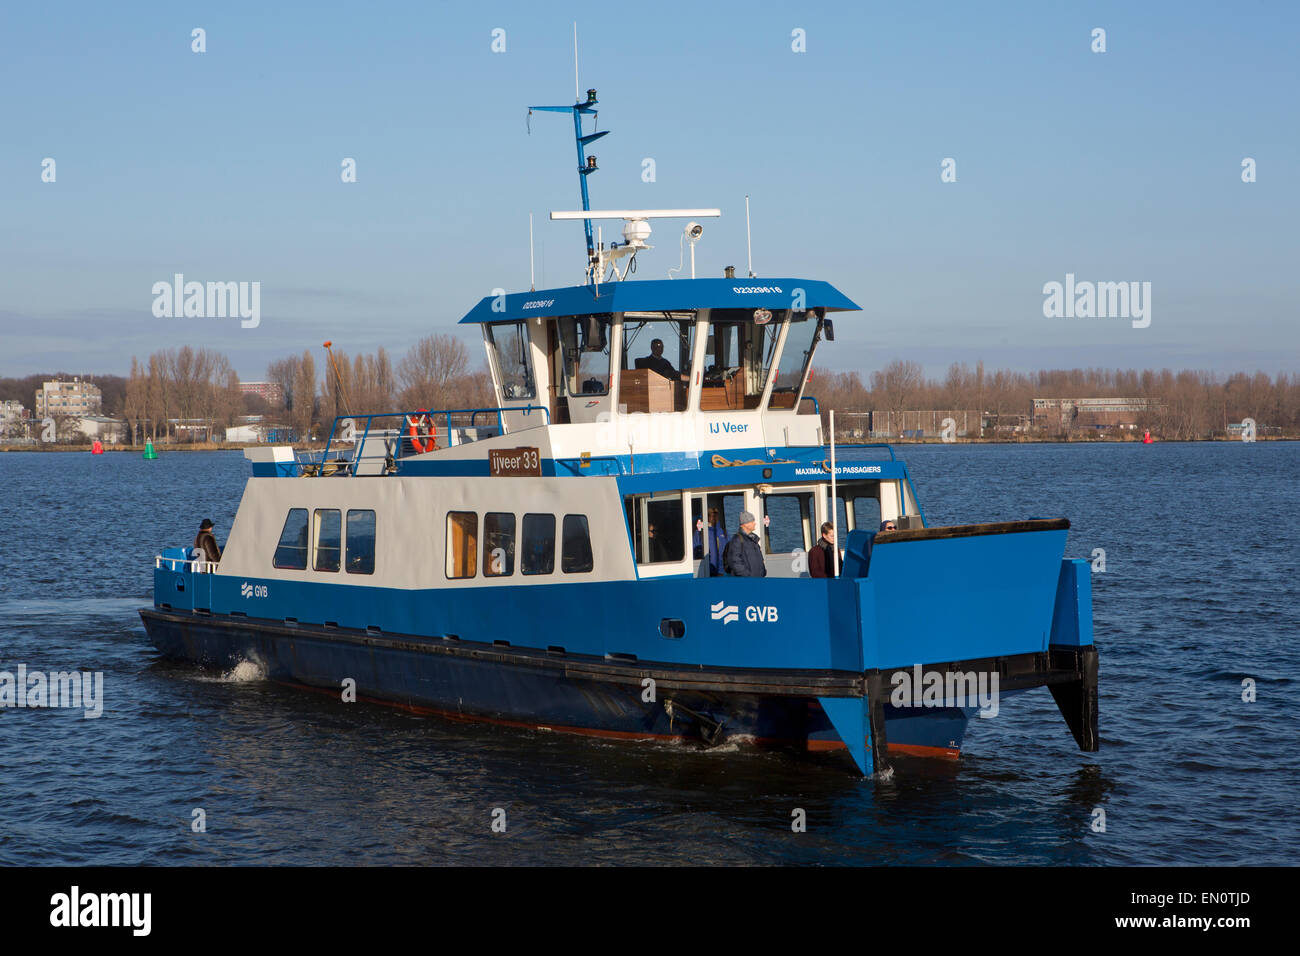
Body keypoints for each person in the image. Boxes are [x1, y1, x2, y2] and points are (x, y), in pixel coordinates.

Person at [724, 511, 766, 577]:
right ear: (745, 524)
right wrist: (747, 575)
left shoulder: (753, 539)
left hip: (758, 580)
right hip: (745, 582)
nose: (755, 523)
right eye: (752, 522)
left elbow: (760, 559)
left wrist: (763, 572)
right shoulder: (737, 540)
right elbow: (734, 562)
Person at [693, 507, 728, 576]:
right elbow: (695, 552)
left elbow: (729, 550)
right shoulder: (700, 533)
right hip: (708, 571)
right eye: (712, 516)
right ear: (707, 517)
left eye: (716, 515)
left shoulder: (723, 532)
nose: (714, 518)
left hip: (723, 571)